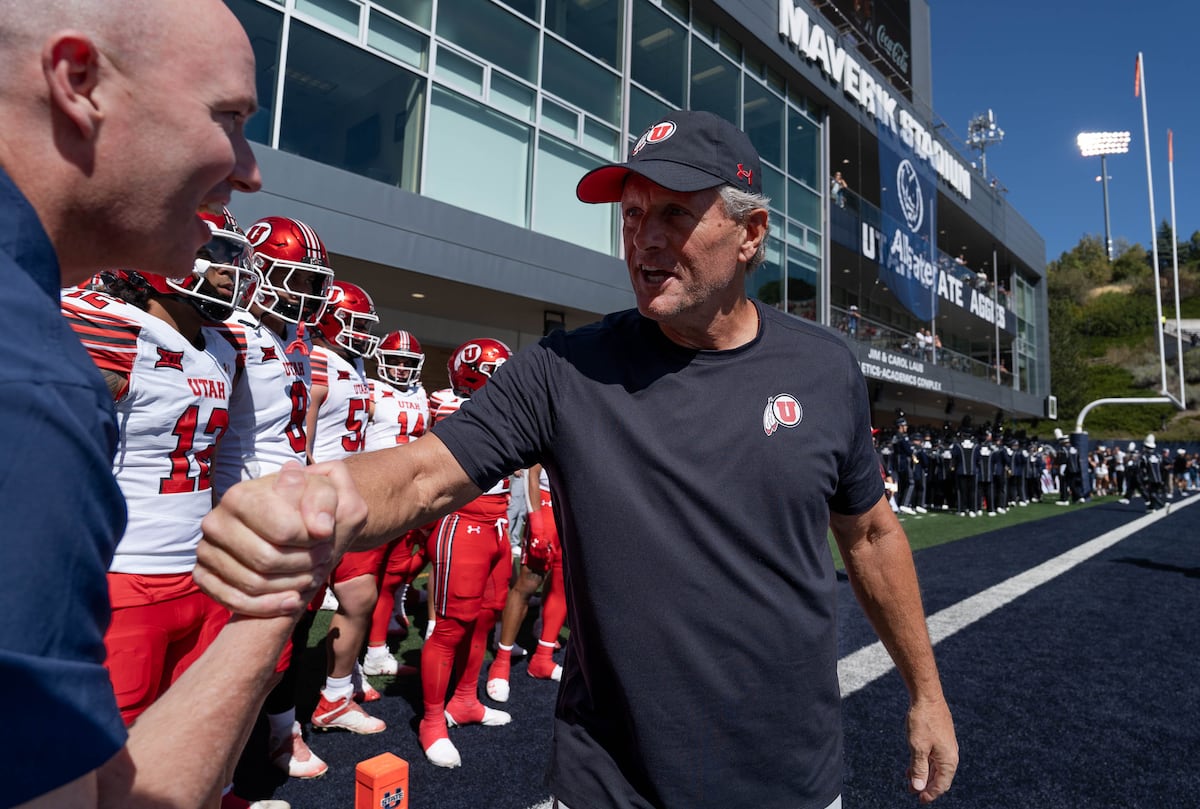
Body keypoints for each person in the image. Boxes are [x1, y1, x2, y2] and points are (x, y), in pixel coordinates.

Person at [200, 110, 958, 807]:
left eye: (674, 214)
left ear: (750, 233)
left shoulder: (824, 369)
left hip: (787, 775)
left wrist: (925, 689)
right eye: (631, 215)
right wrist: (311, 499)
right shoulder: (566, 369)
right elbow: (424, 472)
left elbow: (871, 536)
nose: (644, 238)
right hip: (609, 780)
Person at [0, 4, 363, 808]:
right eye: (228, 117)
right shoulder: (49, 363)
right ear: (78, 80)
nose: (249, 170)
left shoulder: (221, 342)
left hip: (190, 563)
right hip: (137, 574)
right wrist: (277, 599)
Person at [216, 214, 336, 782]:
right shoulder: (228, 330)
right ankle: (227, 768)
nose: (309, 295)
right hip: (239, 511)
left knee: (281, 639)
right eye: (298, 279)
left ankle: (271, 739)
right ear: (259, 270)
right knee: (234, 653)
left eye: (315, 283)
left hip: (282, 507)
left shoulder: (289, 338)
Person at [420, 339, 515, 768]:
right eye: (496, 375)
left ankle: (465, 700)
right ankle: (432, 720)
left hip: (496, 524)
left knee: (486, 615)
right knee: (450, 624)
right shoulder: (447, 404)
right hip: (463, 523)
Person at [305, 280, 388, 735]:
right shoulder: (316, 360)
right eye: (354, 323)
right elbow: (303, 436)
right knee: (296, 614)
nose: (362, 333)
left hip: (350, 501)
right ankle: (277, 716)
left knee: (360, 595)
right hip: (322, 500)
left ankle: (335, 696)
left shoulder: (350, 365)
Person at [361, 329, 431, 677]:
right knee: (360, 581)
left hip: (406, 496)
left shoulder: (422, 395)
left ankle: (375, 649)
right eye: (395, 361)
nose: (401, 368)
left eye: (408, 362)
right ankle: (352, 658)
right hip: (372, 492)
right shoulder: (370, 389)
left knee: (391, 576)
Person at [486, 462, 568, 703]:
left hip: (573, 509)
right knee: (528, 583)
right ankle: (501, 661)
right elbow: (533, 472)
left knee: (563, 583)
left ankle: (542, 657)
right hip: (545, 505)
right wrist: (537, 523)